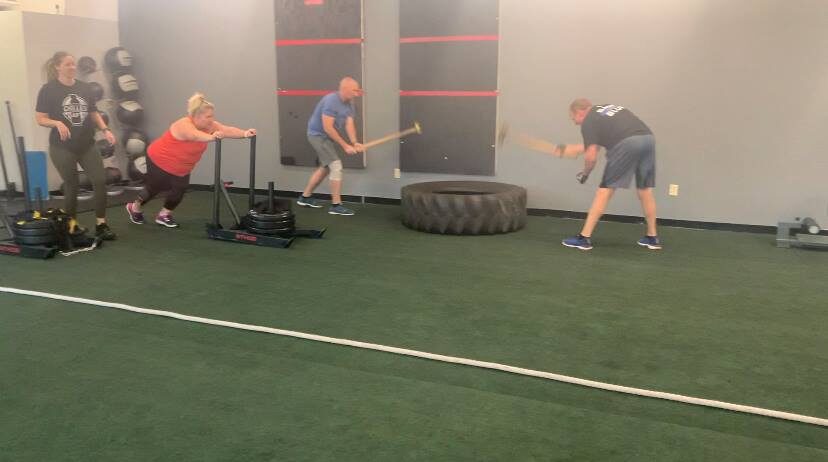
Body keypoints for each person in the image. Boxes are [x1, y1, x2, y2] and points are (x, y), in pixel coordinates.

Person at [125, 93, 255, 228]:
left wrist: (245, 133)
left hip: (182, 166)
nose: (212, 119)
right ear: (196, 116)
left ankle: (163, 215)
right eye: (208, 116)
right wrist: (212, 137)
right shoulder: (183, 125)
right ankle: (134, 208)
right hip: (160, 159)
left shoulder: (210, 126)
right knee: (155, 187)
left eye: (212, 116)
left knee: (179, 189)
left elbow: (227, 130)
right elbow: (194, 135)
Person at [35, 51, 117, 240]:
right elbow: (40, 118)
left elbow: (93, 112)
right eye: (67, 64)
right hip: (62, 147)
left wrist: (105, 129)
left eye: (73, 64)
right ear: (57, 66)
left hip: (86, 144)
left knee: (99, 180)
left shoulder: (84, 88)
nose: (72, 67)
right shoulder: (48, 89)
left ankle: (101, 225)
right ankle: (71, 226)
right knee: (72, 185)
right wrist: (56, 123)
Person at [561, 98, 660, 251]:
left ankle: (584, 238)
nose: (575, 122)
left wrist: (585, 174)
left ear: (579, 112)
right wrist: (575, 149)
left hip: (627, 143)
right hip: (647, 139)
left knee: (604, 191)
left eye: (573, 118)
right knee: (645, 190)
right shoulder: (606, 109)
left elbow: (591, 156)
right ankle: (652, 237)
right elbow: (599, 143)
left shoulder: (588, 121)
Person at [296, 77, 364, 216]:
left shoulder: (350, 103)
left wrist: (354, 142)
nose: (357, 93)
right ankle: (336, 205)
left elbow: (349, 124)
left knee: (325, 167)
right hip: (318, 136)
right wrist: (345, 146)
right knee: (336, 166)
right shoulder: (331, 101)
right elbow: (328, 128)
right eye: (354, 90)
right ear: (344, 89)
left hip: (327, 138)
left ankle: (305, 197)